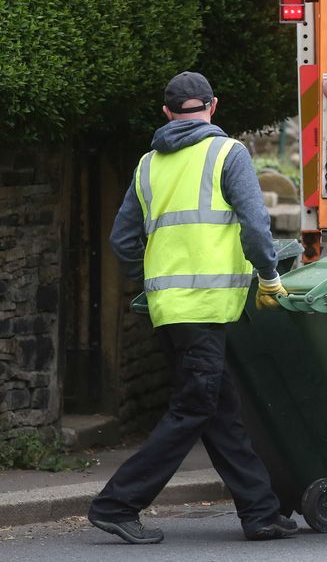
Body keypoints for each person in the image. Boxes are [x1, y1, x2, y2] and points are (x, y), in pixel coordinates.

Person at [88, 71, 297, 544]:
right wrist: (269, 277)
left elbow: (122, 241)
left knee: (219, 411)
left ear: (167, 113)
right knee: (192, 409)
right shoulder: (228, 154)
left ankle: (261, 512)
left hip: (169, 311)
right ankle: (117, 504)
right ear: (212, 105)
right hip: (207, 307)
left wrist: (153, 284)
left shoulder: (148, 165)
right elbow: (255, 227)